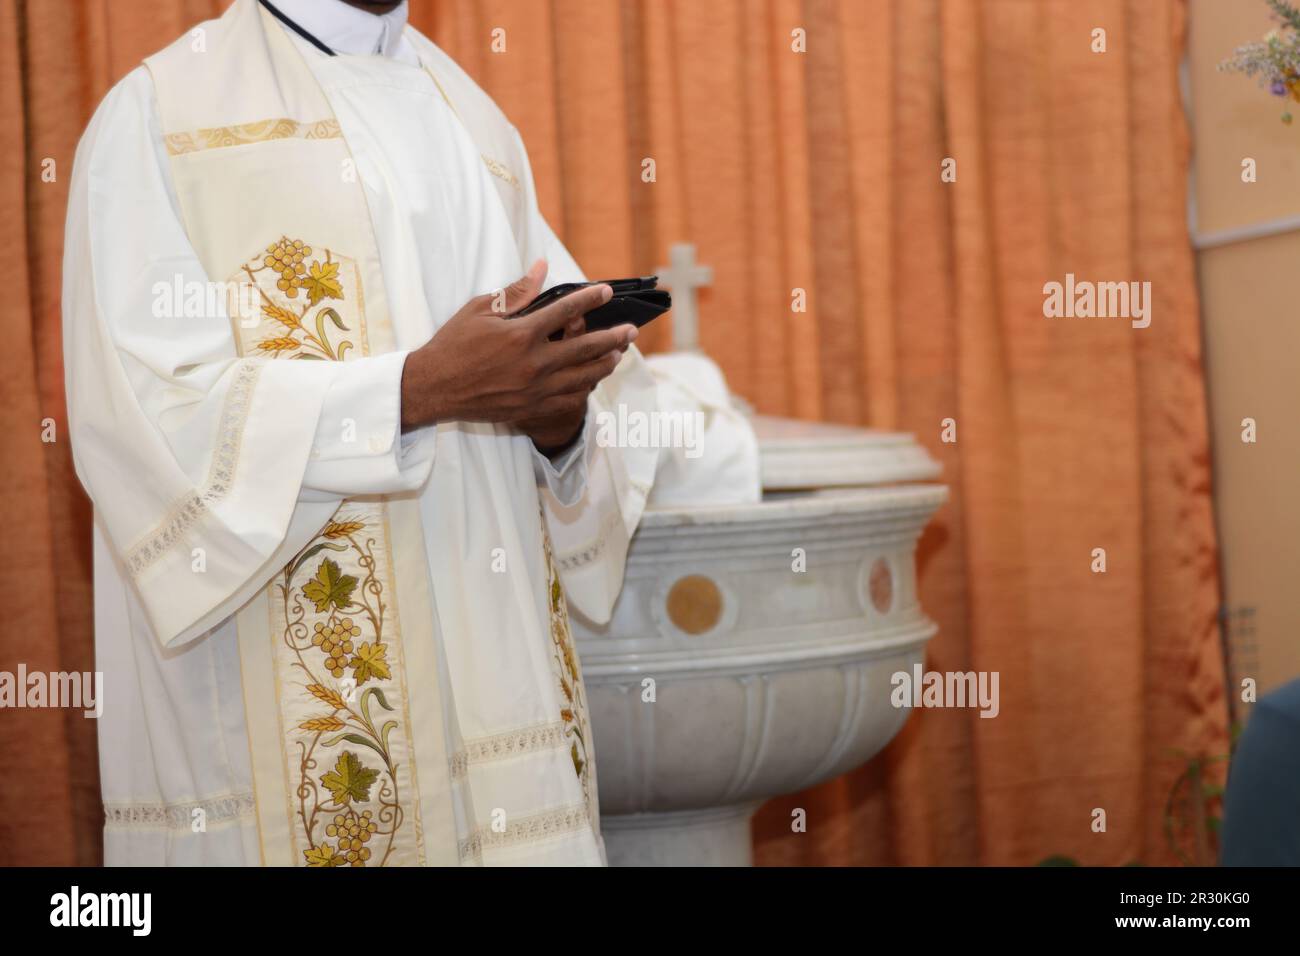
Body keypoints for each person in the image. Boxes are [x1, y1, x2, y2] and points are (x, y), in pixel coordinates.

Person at [62, 0, 659, 866]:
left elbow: (587, 393)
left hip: (500, 702)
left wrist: (558, 424)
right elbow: (145, 433)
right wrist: (411, 393)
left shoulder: (474, 119)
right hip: (287, 735)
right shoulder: (161, 117)